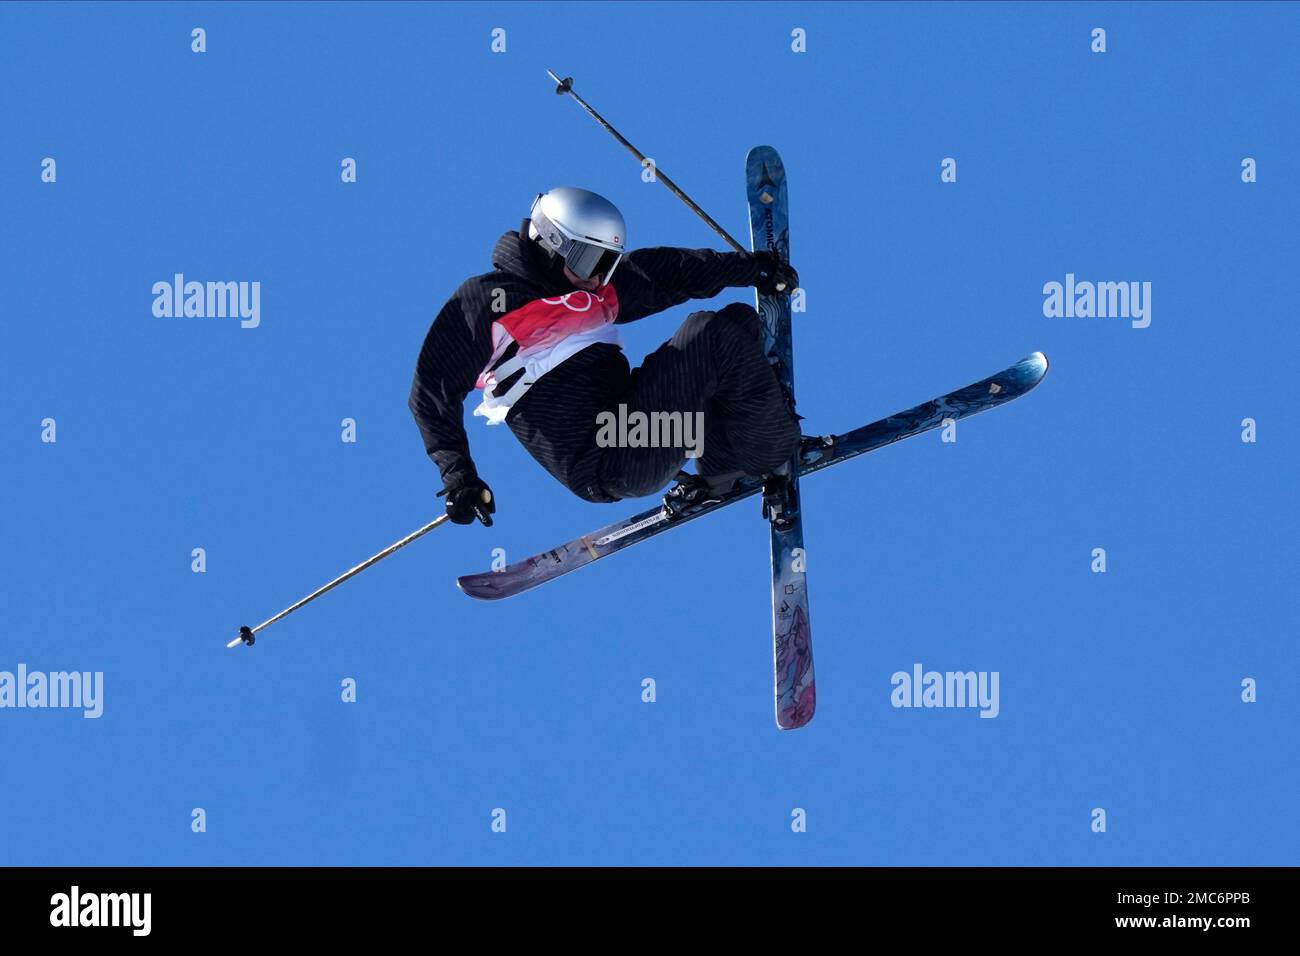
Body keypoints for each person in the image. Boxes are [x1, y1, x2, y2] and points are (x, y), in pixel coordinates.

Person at [409, 186, 802, 527]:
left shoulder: (592, 292)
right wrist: (459, 476)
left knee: (739, 326)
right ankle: (773, 451)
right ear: (549, 244)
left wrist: (754, 270)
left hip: (641, 429)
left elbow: (667, 274)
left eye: (606, 263)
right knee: (712, 336)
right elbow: (431, 393)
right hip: (608, 455)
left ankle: (726, 467)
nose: (598, 277)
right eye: (586, 260)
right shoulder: (488, 301)